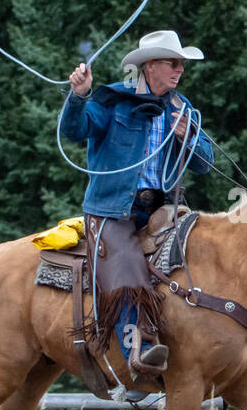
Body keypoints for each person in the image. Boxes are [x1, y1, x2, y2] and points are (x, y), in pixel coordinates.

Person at [61, 29, 213, 377]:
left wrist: (187, 136)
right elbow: (74, 129)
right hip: (113, 209)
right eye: (172, 63)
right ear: (150, 66)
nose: (180, 70)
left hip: (163, 207)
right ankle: (139, 348)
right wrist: (78, 96)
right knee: (127, 266)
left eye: (182, 64)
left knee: (201, 249)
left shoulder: (181, 108)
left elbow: (205, 163)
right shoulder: (112, 101)